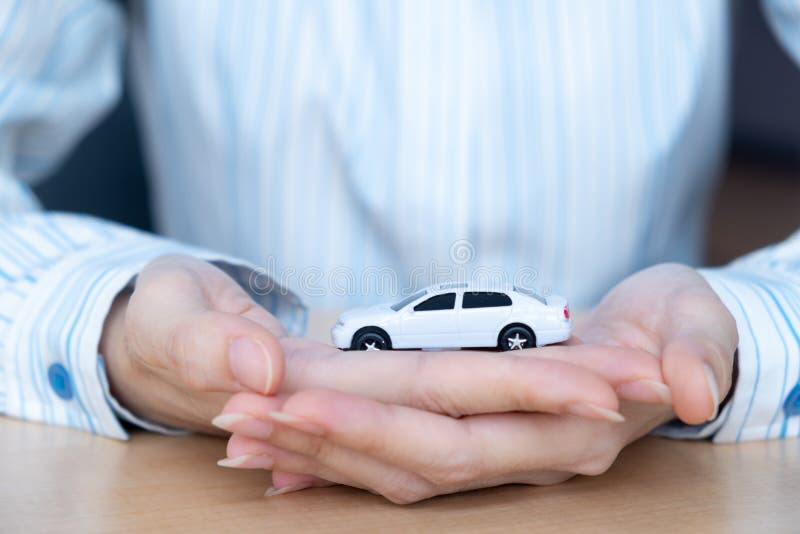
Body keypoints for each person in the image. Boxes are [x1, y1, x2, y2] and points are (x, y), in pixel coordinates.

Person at [1, 0, 798, 503]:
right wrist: (111, 326)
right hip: (214, 480)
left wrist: (746, 332)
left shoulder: (477, 321)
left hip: (659, 489)